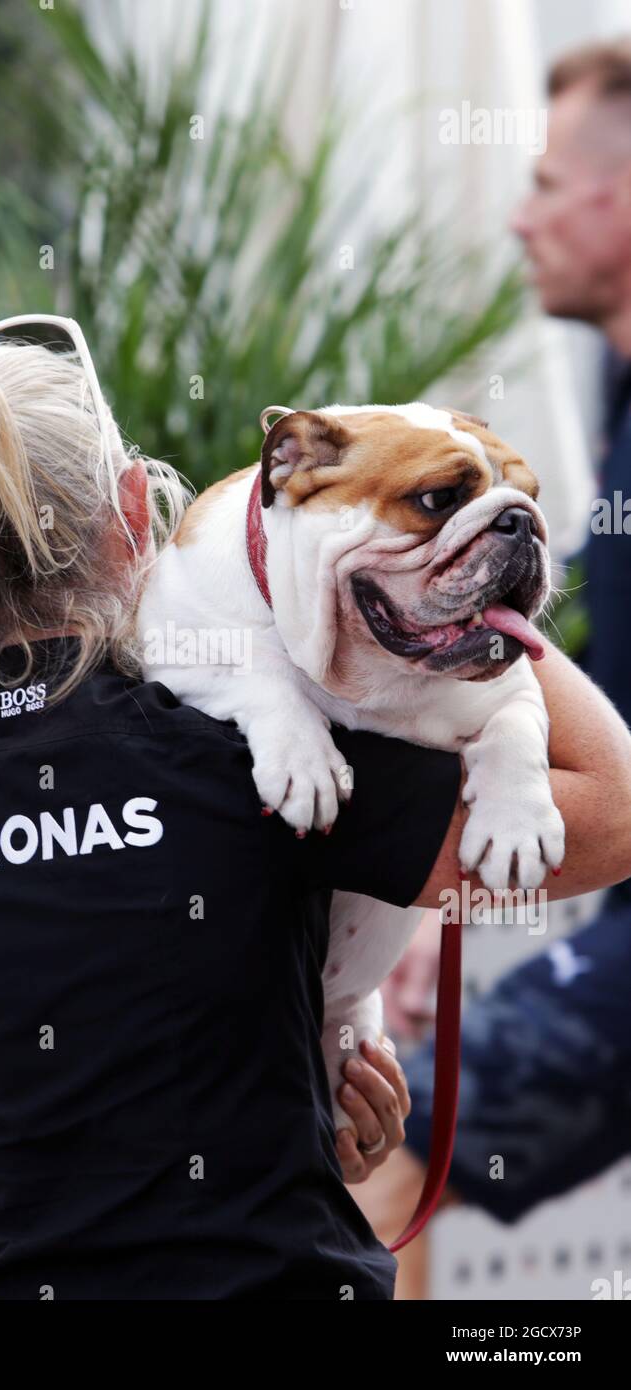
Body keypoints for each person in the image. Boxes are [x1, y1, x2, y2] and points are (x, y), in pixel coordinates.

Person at [0, 316, 631, 1301]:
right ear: (137, 512)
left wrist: (301, 1094)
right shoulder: (250, 754)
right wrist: (482, 581)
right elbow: (609, 812)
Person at [356, 38, 631, 1299]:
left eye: (540, 183)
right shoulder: (616, 406)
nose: (517, 218)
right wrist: (448, 885)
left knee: (390, 1143)